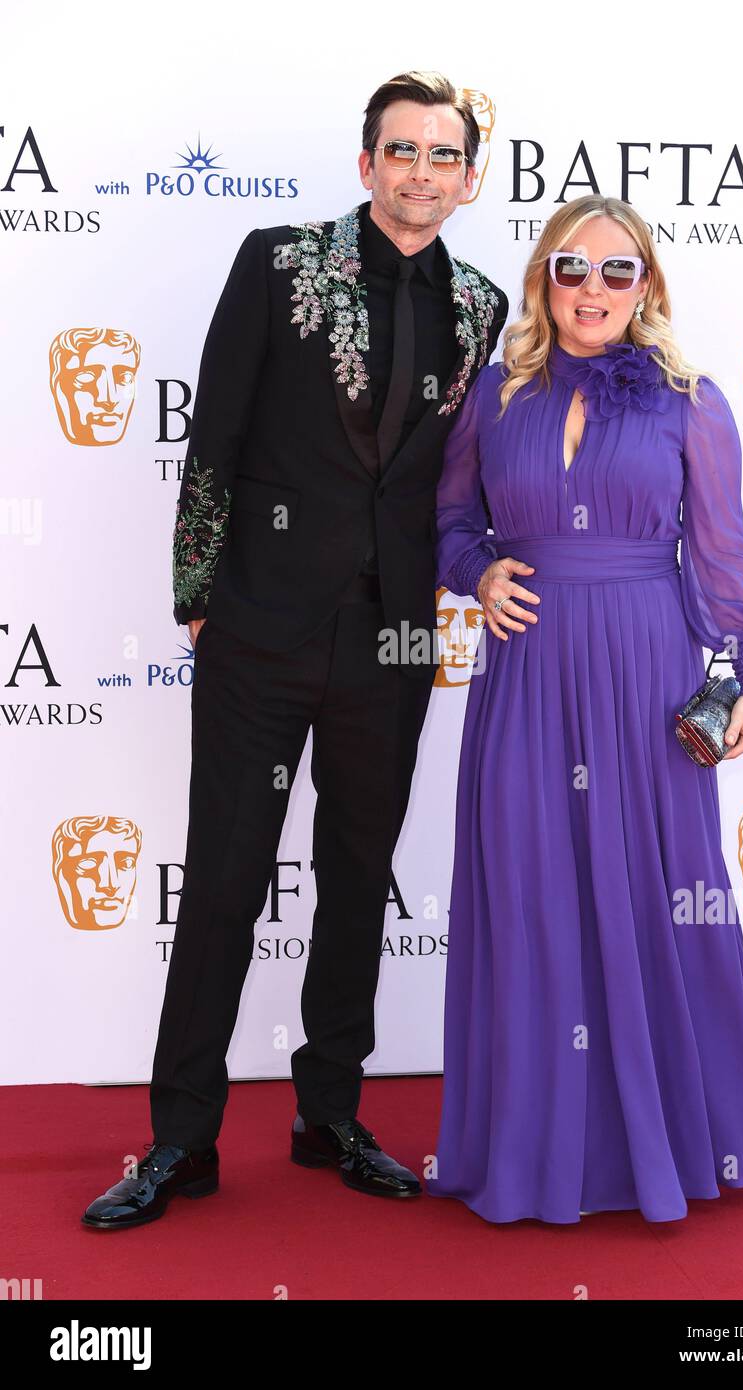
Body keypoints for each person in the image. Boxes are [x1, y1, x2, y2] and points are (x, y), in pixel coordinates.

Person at [81, 71, 508, 1230]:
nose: (422, 171)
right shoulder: (279, 262)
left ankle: (330, 1115)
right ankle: (181, 1139)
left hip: (398, 634)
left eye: (444, 154)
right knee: (224, 877)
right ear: (367, 162)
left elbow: (449, 478)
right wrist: (200, 597)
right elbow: (213, 431)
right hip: (260, 625)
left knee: (359, 877)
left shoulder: (480, 304)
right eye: (402, 149)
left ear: (469, 179)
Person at [426, 194, 743, 1225]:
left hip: (645, 670)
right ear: (545, 280)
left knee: (659, 890)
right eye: (572, 268)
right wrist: (476, 572)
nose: (592, 288)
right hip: (528, 669)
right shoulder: (497, 393)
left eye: (616, 270)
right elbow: (448, 519)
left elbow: (721, 548)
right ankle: (542, 1151)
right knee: (530, 889)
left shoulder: (690, 400)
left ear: (647, 286)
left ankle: (677, 1143)